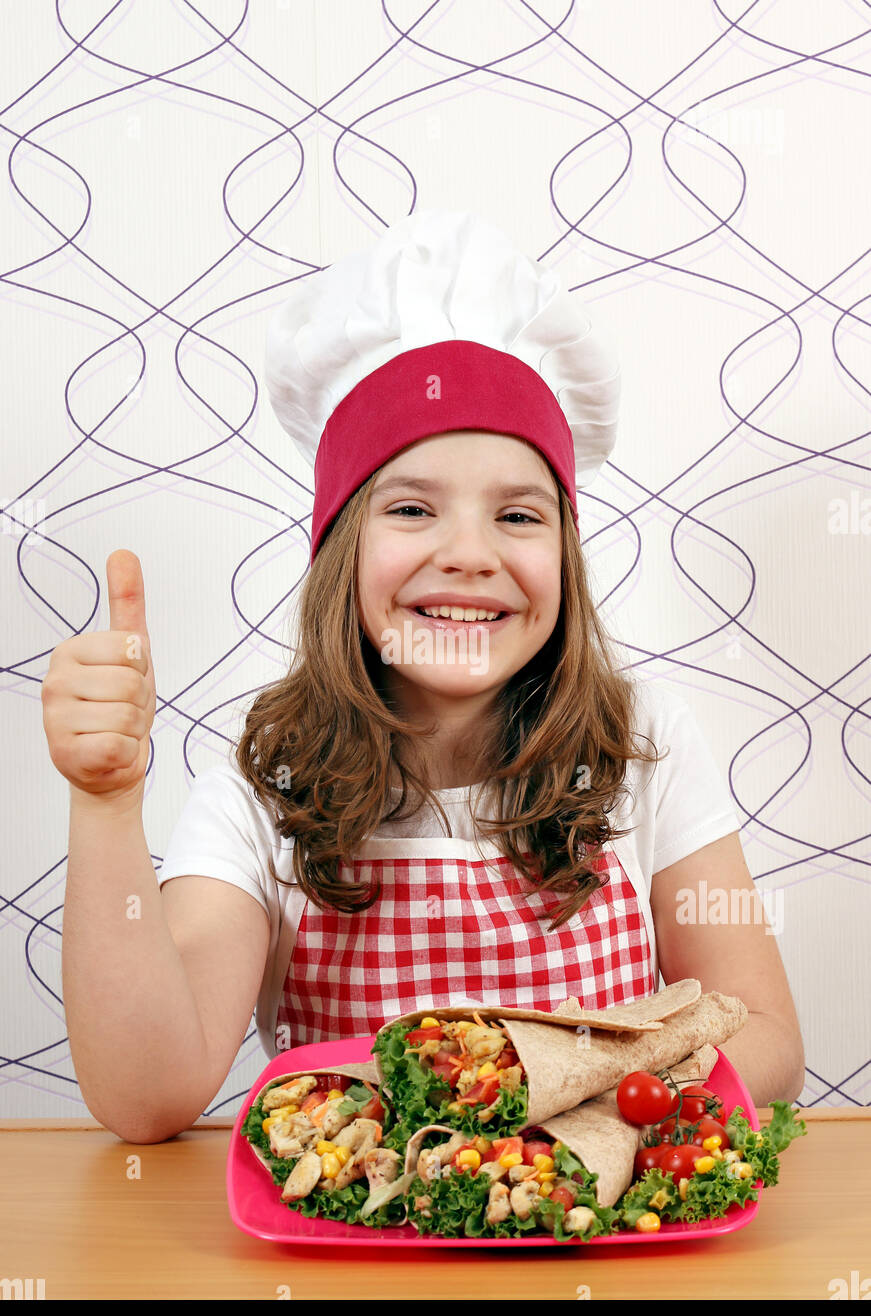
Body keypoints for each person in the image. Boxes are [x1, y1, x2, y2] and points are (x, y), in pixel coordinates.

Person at [42, 210, 804, 1143]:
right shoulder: (261, 788)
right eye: (411, 508)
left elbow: (765, 1040)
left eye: (520, 517)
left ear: (564, 559)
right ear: (338, 551)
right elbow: (145, 1096)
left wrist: (564, 1112)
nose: (470, 554)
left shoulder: (644, 744)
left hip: (593, 1254)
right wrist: (106, 802)